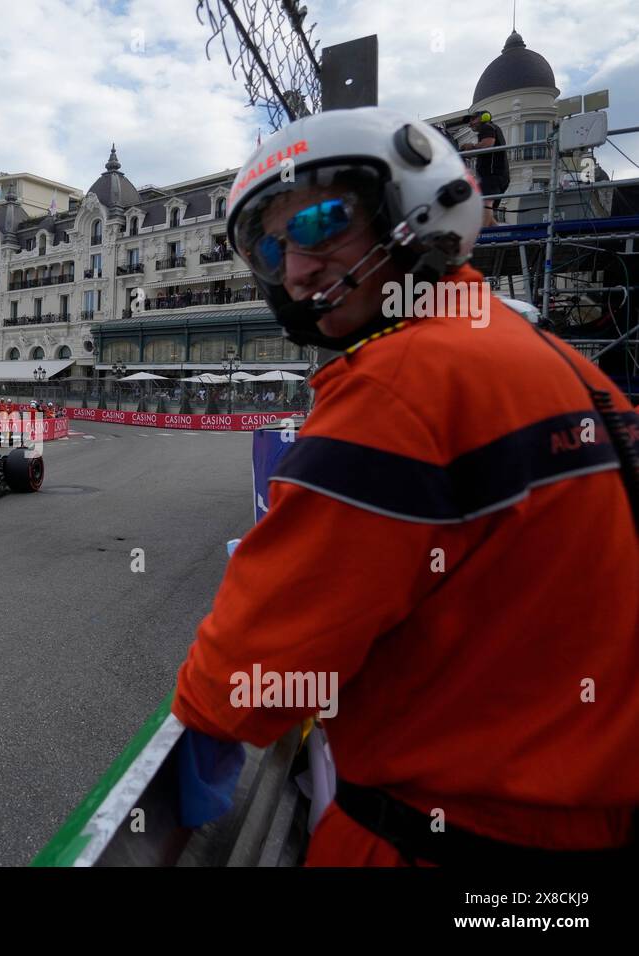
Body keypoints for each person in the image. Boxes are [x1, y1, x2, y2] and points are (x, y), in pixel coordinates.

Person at [173, 106, 639, 867]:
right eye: (269, 246)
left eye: (322, 222)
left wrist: (201, 721)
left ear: (413, 206)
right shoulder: (563, 364)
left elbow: (255, 672)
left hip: (441, 830)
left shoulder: (397, 385)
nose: (295, 268)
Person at [459, 108, 509, 227]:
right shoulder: (493, 128)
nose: (470, 123)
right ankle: (501, 234)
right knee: (488, 212)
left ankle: (481, 236)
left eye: (473, 119)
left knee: (484, 206)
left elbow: (488, 144)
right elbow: (486, 149)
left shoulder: (487, 127)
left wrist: (471, 147)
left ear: (484, 117)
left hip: (492, 176)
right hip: (496, 177)